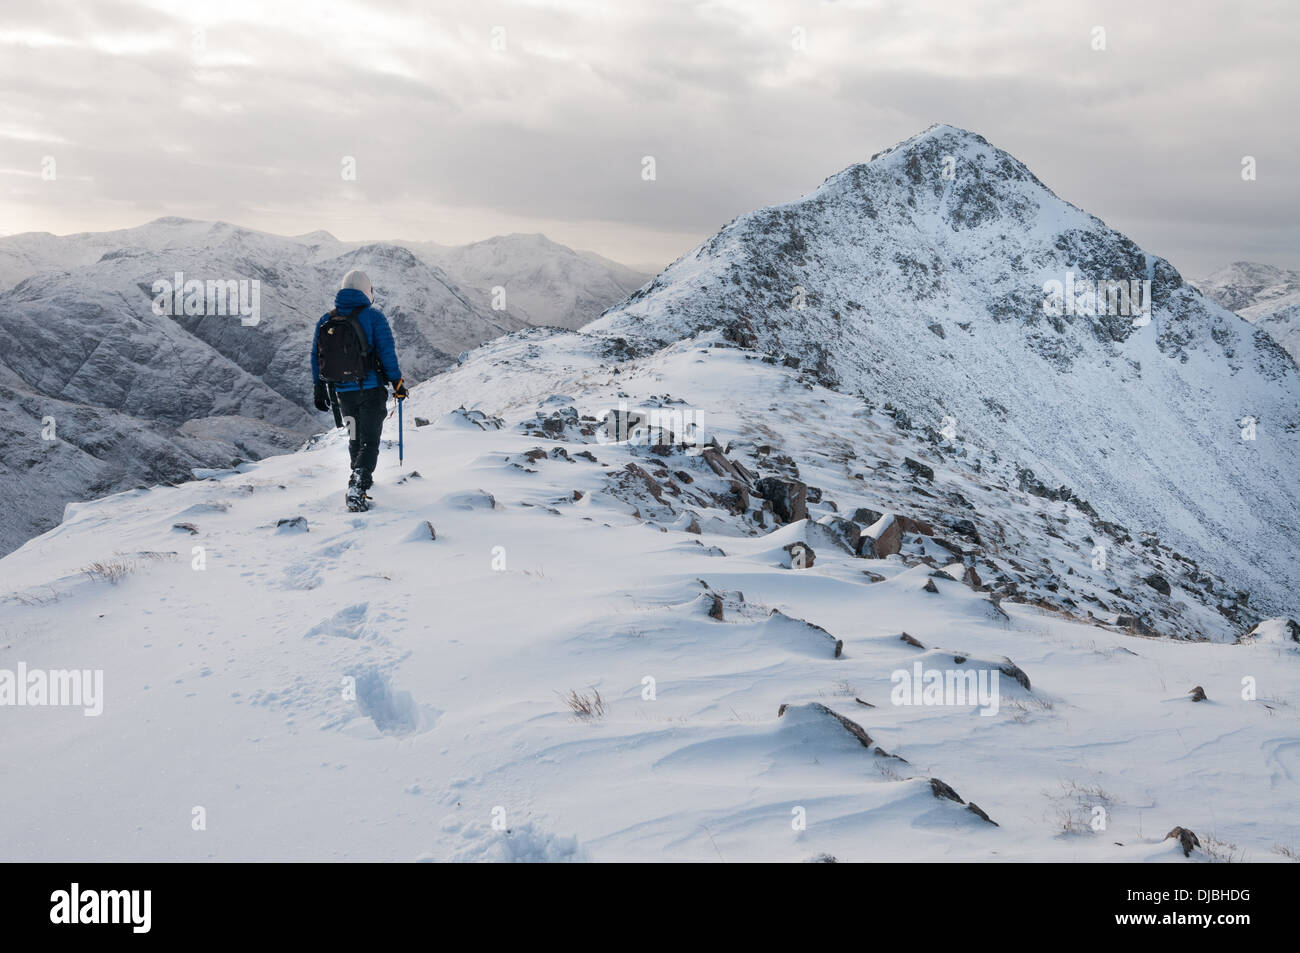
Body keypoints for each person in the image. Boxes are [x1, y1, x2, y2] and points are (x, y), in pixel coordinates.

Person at [311, 269, 408, 511]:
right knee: (370, 441)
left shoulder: (326, 319)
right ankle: (358, 485)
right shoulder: (374, 318)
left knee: (354, 437)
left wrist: (318, 386)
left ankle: (358, 475)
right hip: (371, 391)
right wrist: (397, 383)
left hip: (343, 394)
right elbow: (387, 354)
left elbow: (316, 356)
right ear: (367, 291)